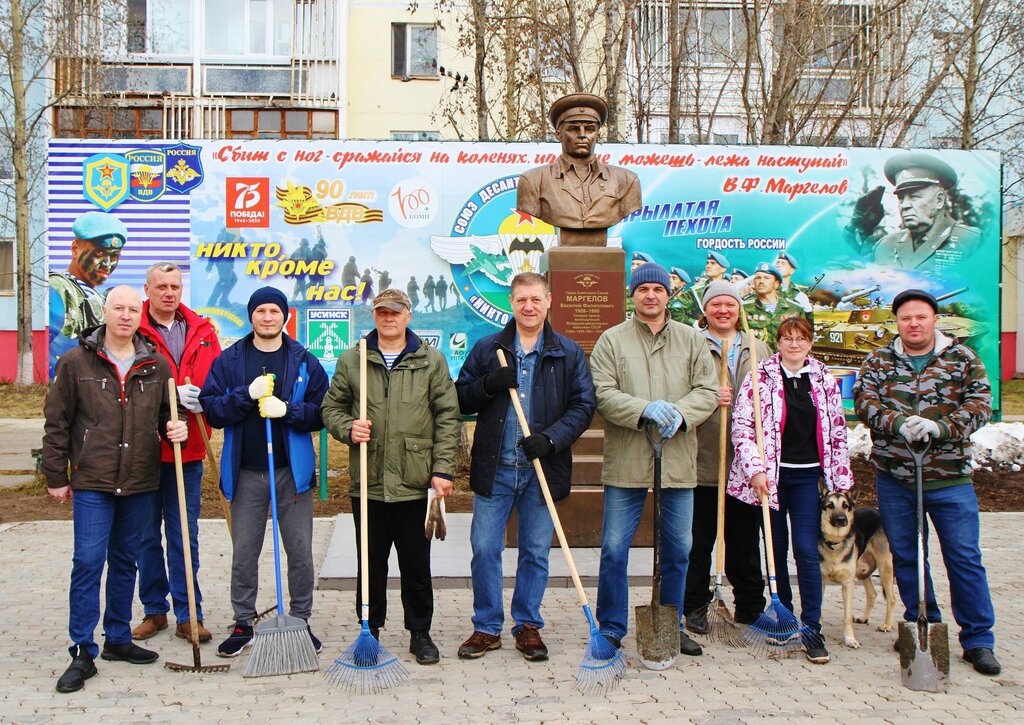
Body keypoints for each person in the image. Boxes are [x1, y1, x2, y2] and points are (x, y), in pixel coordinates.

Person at [42, 286, 188, 693]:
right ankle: (82, 650)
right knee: (88, 563)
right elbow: (57, 422)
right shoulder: (75, 362)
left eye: (131, 309)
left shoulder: (156, 365)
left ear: (140, 315)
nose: (125, 315)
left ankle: (118, 639)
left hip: (140, 480)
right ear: (105, 312)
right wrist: (56, 475)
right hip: (93, 480)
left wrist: (176, 428)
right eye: (117, 308)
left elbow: (166, 418)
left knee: (126, 561)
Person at [853, 289, 999, 676]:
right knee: (908, 557)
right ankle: (923, 624)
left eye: (921, 317)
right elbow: (865, 401)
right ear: (897, 322)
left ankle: (978, 639)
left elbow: (981, 403)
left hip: (950, 478)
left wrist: (941, 427)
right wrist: (898, 423)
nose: (913, 324)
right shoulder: (880, 360)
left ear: (934, 320)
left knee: (964, 558)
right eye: (905, 318)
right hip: (896, 477)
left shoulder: (961, 359)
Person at [454, 272, 596, 662]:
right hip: (495, 466)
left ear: (548, 300)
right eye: (521, 300)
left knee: (534, 550)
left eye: (535, 299)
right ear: (511, 303)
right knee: (485, 548)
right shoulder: (489, 348)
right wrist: (488, 384)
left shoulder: (567, 352)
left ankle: (527, 624)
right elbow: (461, 398)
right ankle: (486, 626)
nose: (528, 307)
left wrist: (550, 439)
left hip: (542, 468)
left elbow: (584, 406)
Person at [321, 288, 461, 665]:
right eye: (382, 312)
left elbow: (448, 417)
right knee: (370, 562)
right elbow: (330, 407)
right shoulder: (354, 360)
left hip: (416, 482)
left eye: (395, 312)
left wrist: (443, 469)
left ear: (408, 315)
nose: (388, 318)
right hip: (368, 480)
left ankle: (420, 632)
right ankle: (370, 629)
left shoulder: (430, 360)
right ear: (374, 316)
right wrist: (348, 427)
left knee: (416, 563)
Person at [590, 262, 719, 655]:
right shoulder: (611, 340)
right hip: (627, 460)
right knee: (614, 548)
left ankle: (671, 621)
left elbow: (708, 390)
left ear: (668, 295)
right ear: (633, 295)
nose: (650, 295)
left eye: (657, 290)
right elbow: (602, 392)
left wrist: (681, 413)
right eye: (643, 289)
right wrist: (644, 409)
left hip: (677, 460)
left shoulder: (692, 340)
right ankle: (611, 626)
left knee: (679, 548)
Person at [199, 286, 329, 658]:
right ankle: (243, 622)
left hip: (292, 472)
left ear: (285, 315)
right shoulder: (230, 360)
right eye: (261, 311)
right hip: (246, 472)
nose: (268, 317)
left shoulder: (304, 360)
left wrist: (286, 410)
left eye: (274, 311)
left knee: (300, 550)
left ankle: (301, 619)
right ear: (251, 315)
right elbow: (213, 410)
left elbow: (322, 411)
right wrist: (246, 395)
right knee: (244, 552)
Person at [727, 316, 854, 664]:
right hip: (771, 478)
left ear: (810, 343)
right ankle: (784, 621)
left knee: (805, 550)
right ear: (778, 342)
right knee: (775, 549)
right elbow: (742, 427)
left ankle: (812, 628)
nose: (794, 344)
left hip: (807, 478)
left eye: (801, 339)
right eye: (787, 338)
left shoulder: (824, 379)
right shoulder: (761, 376)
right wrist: (755, 470)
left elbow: (838, 430)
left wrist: (840, 479)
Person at [131, 262, 222, 645]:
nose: (169, 293)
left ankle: (189, 613)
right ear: (147, 290)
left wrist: (204, 400)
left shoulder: (201, 331)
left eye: (175, 286)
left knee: (185, 534)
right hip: (143, 450)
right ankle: (155, 610)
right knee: (147, 535)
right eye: (161, 286)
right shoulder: (134, 329)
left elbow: (219, 378)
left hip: (188, 448)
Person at [683, 281, 769, 631]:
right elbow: (681, 390)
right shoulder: (692, 345)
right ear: (705, 310)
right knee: (699, 542)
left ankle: (750, 606)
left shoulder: (757, 347)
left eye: (729, 304)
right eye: (715, 304)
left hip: (745, 465)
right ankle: (696, 606)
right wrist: (707, 397)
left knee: (744, 542)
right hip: (704, 457)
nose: (723, 310)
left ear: (739, 309)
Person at [517, 93, 641, 246]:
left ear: (598, 135)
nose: (582, 135)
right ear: (558, 134)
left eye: (589, 129)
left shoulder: (626, 181)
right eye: (573, 129)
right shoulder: (533, 180)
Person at [873, 153, 981, 271]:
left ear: (939, 200)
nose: (904, 205)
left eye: (914, 197)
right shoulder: (884, 246)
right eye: (901, 198)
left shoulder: (972, 241)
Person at [49, 211, 127, 347]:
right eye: (99, 253)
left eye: (115, 256)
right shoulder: (59, 286)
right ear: (75, 249)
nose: (107, 264)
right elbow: (57, 344)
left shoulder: (96, 297)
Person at [742, 262, 807, 351]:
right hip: (757, 361)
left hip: (786, 361)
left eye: (766, 278)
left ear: (776, 284)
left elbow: (803, 339)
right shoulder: (744, 309)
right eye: (758, 278)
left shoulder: (795, 309)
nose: (761, 281)